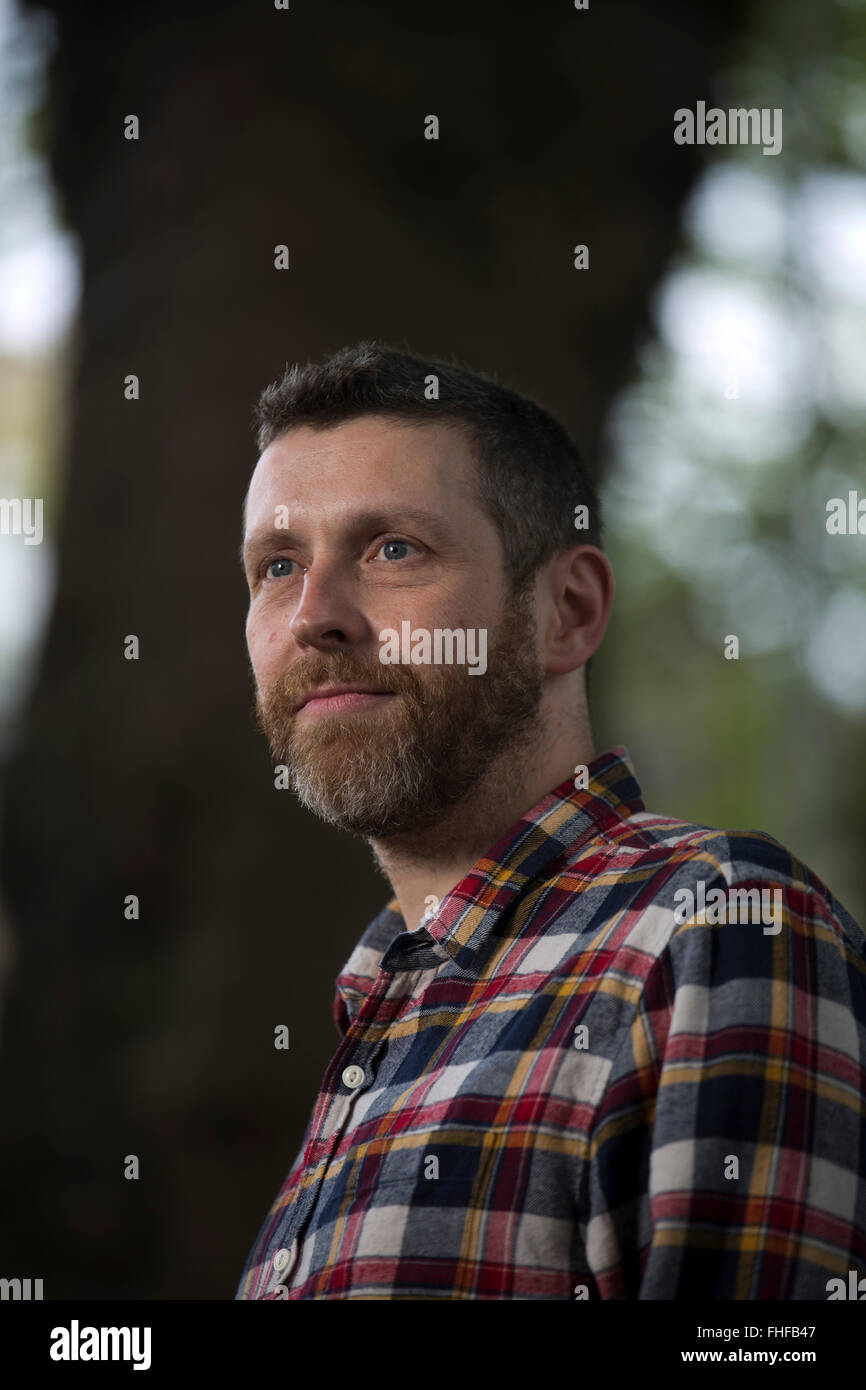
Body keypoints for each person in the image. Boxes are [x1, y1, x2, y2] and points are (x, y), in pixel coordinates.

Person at [235, 340, 866, 1300]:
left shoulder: (721, 928)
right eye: (278, 565)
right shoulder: (381, 1006)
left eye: (393, 548)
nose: (312, 615)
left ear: (567, 611)